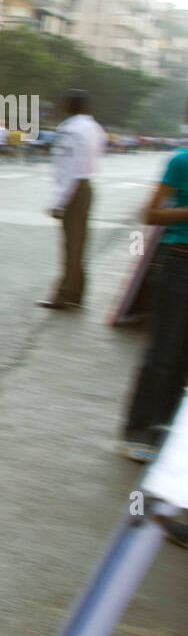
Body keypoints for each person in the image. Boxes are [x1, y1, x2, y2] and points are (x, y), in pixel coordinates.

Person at [120, 109, 188, 460]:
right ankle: (139, 430)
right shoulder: (182, 161)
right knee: (163, 353)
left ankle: (168, 429)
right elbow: (151, 214)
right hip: (178, 263)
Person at [38, 89, 104, 310]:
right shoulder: (94, 127)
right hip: (86, 186)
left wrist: (58, 202)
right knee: (79, 243)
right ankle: (77, 292)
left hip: (74, 189)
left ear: (68, 106)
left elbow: (68, 168)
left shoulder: (70, 130)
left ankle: (64, 294)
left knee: (71, 245)